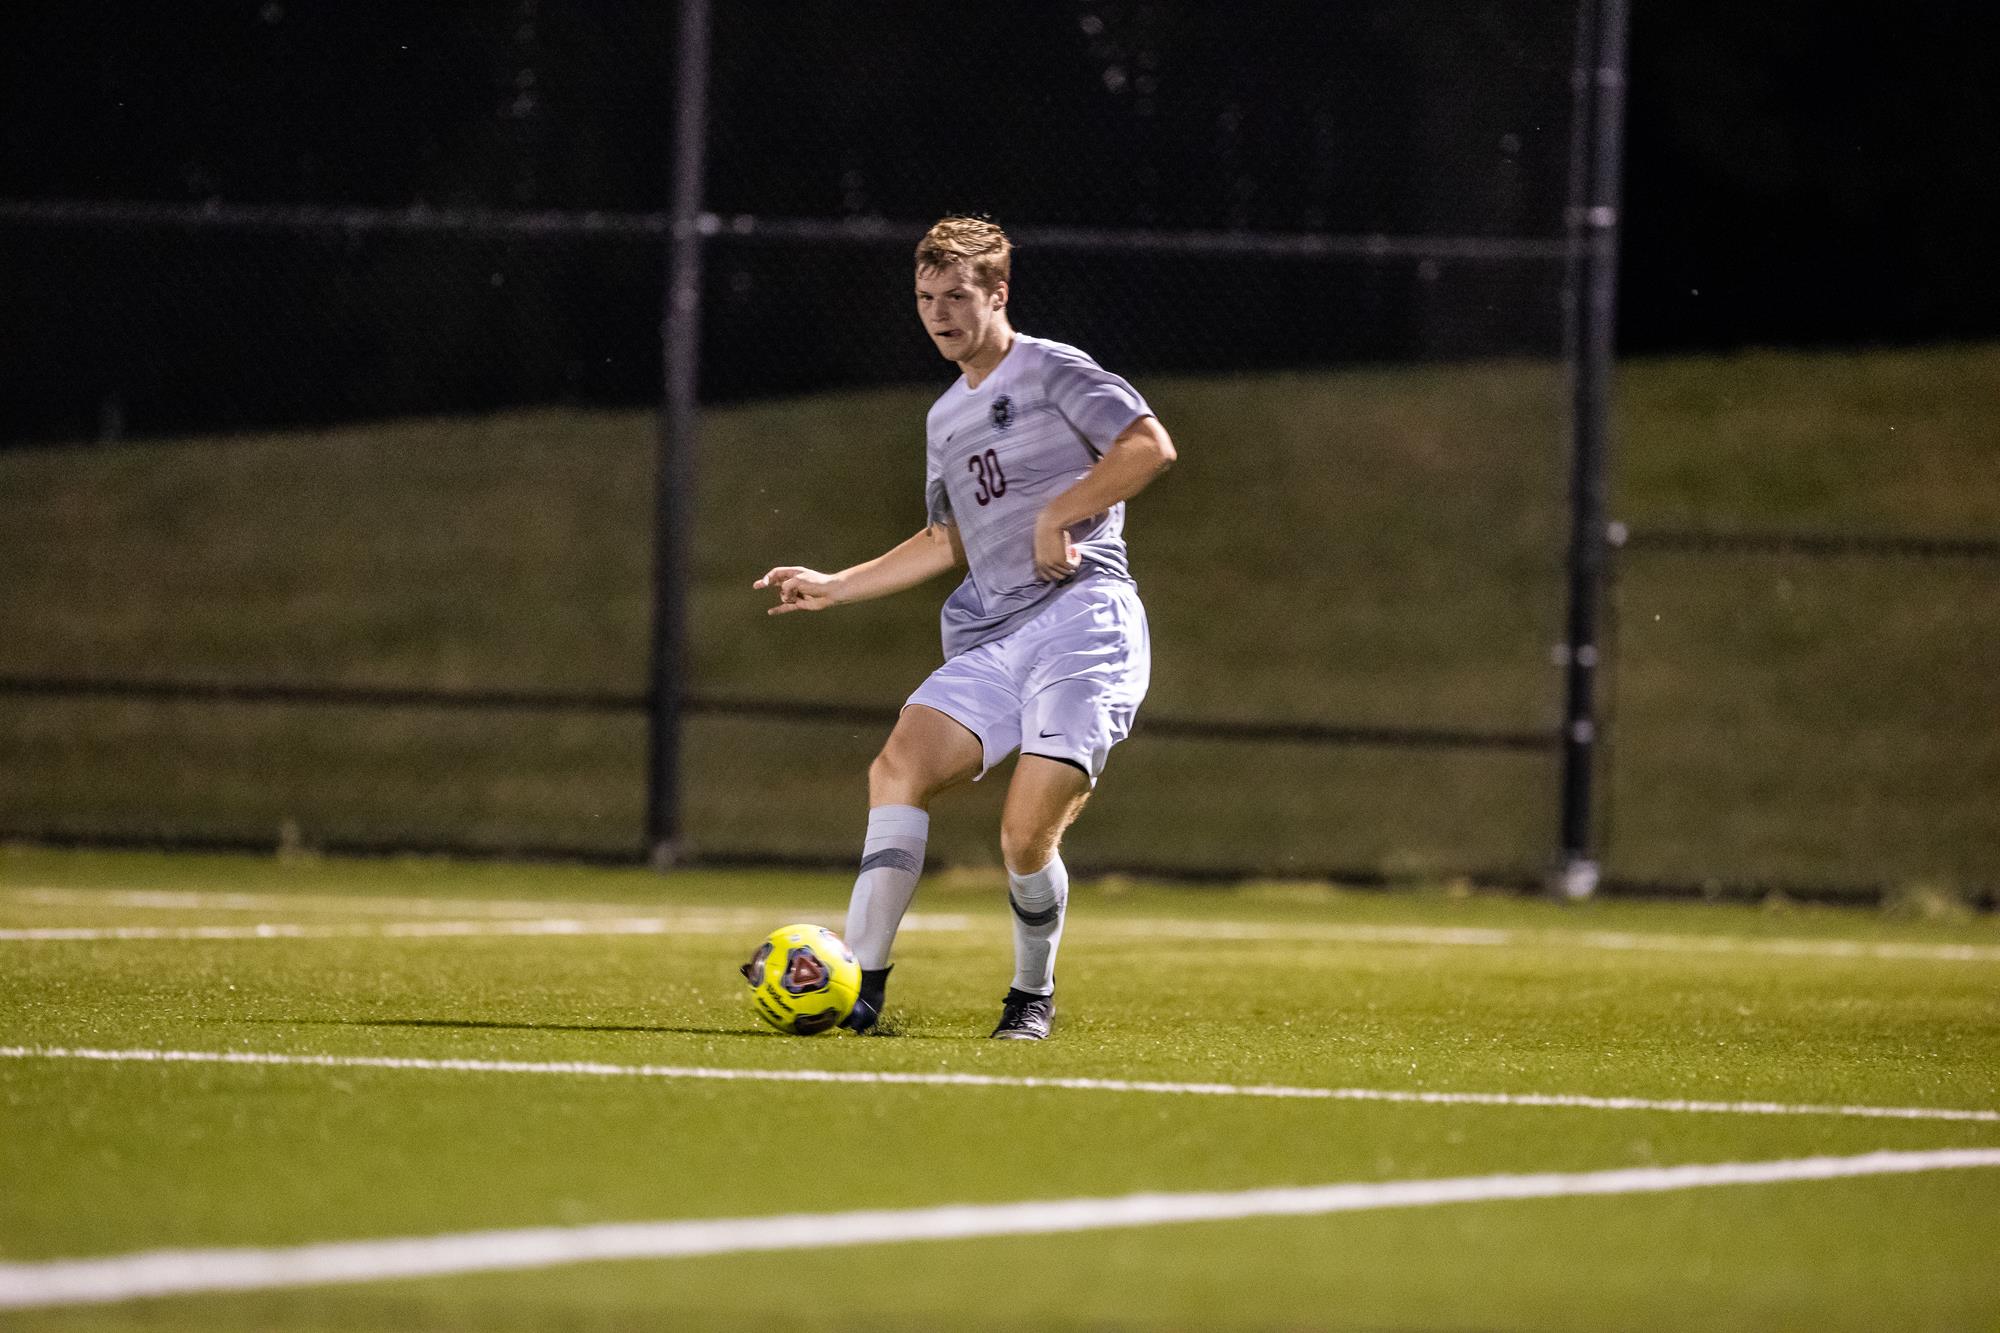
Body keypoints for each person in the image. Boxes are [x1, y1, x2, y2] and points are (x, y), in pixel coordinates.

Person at [753, 216, 1176, 1040]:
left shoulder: (1051, 368)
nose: (938, 314)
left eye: (955, 296)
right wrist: (836, 585)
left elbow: (1148, 446)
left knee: (1023, 837)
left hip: (1085, 625)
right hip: (997, 636)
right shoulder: (946, 417)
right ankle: (863, 989)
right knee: (899, 765)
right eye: (925, 298)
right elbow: (947, 538)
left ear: (997, 294)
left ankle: (1030, 995)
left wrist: (1059, 512)